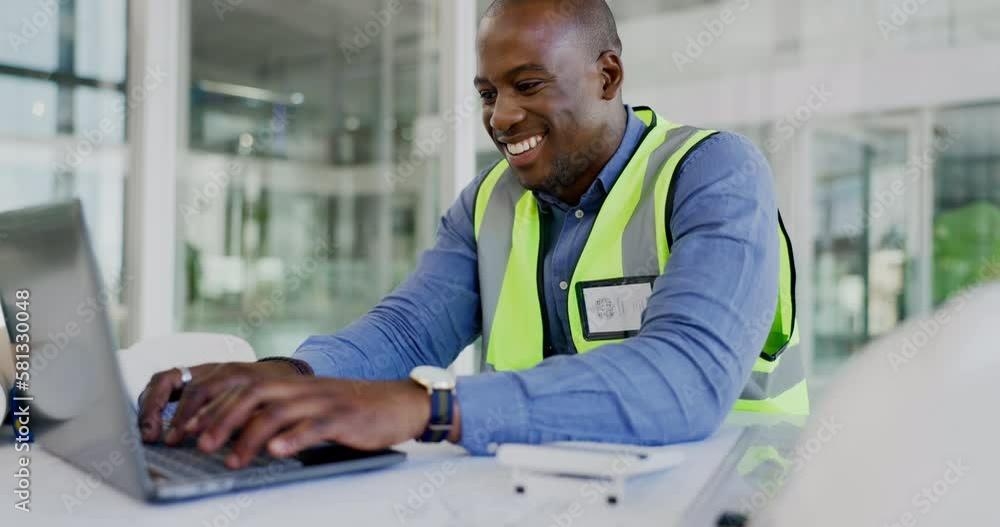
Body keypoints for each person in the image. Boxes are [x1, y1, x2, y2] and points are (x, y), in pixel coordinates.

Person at [138, 0, 805, 470]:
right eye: (488, 92)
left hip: (730, 488)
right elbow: (404, 332)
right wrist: (284, 379)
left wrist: (426, 408)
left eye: (528, 84)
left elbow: (685, 378)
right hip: (544, 488)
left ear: (608, 75)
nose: (503, 115)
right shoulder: (489, 199)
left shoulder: (714, 172)